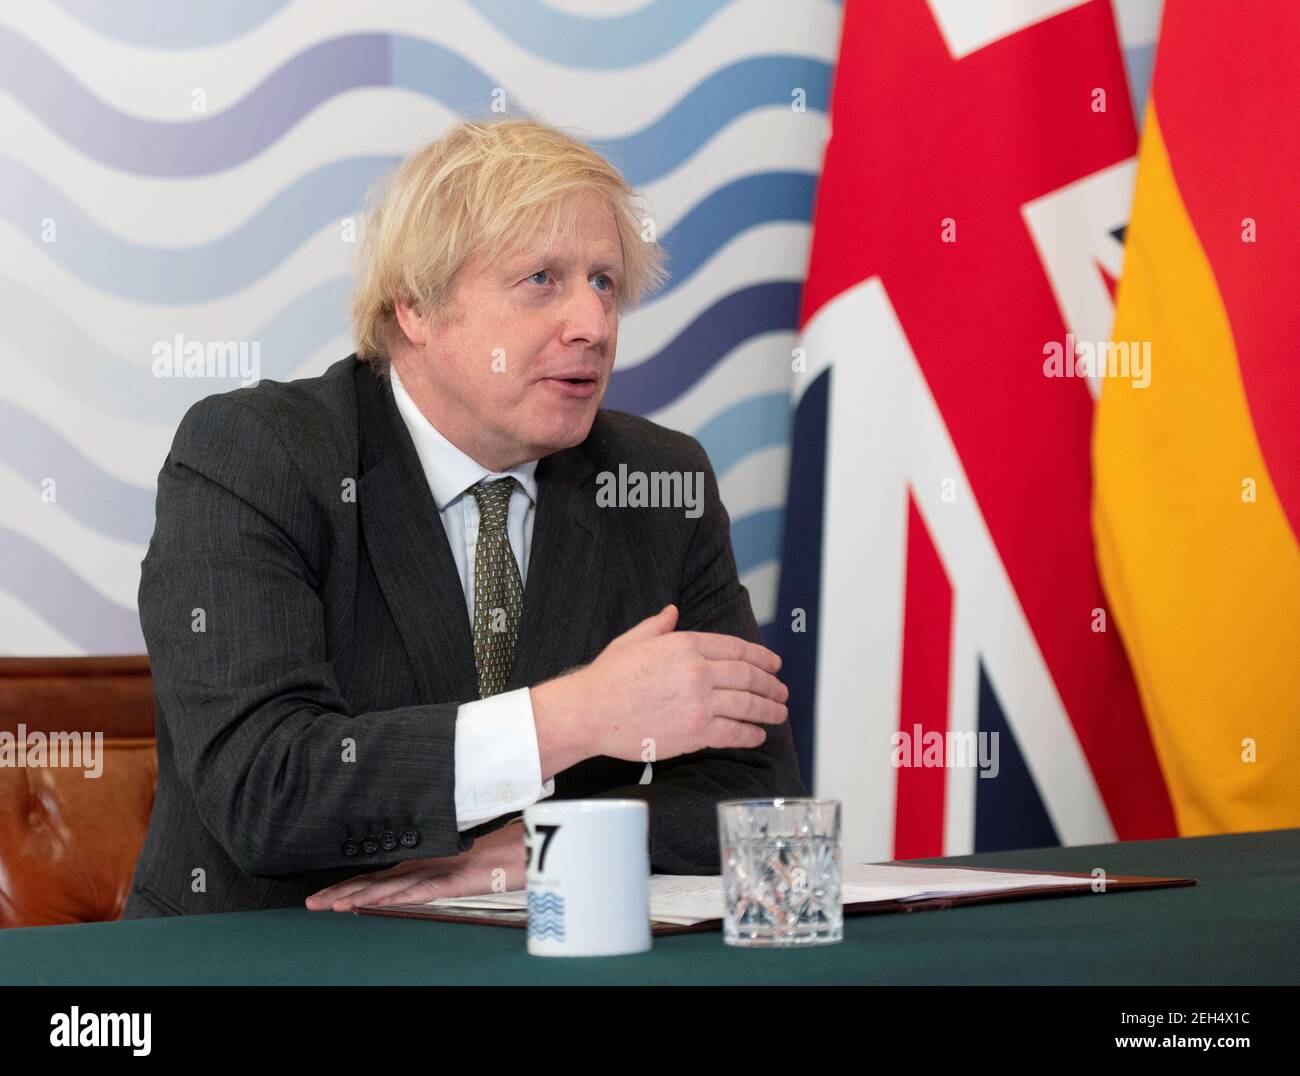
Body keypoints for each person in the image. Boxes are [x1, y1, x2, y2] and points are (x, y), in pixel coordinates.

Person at [122, 118, 804, 920]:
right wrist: (578, 716)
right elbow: (264, 788)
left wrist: (537, 843)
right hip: (272, 960)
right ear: (415, 305)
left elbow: (757, 791)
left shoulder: (657, 480)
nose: (593, 323)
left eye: (605, 283)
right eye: (543, 279)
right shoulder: (257, 454)